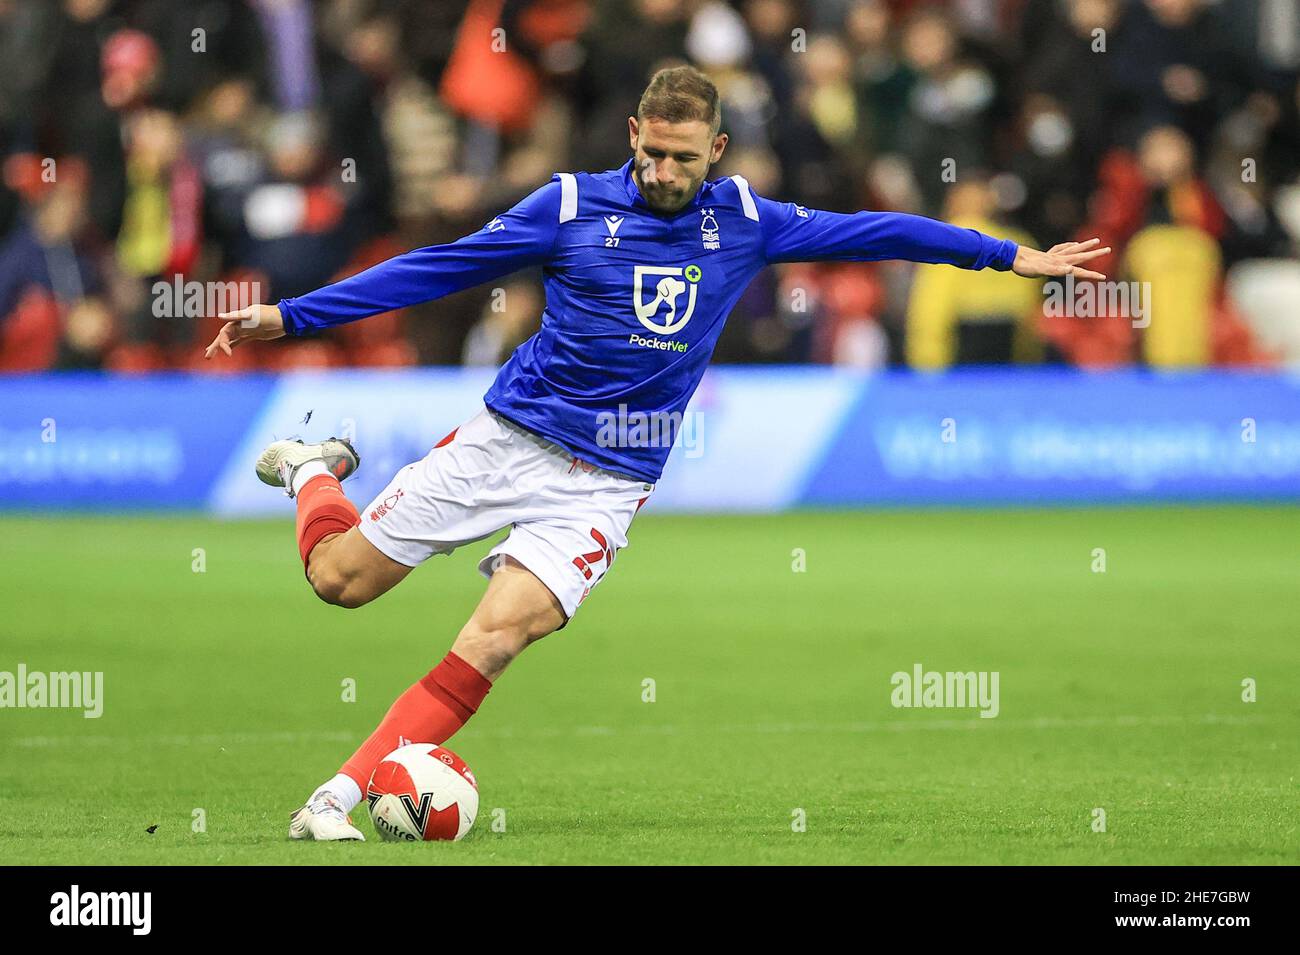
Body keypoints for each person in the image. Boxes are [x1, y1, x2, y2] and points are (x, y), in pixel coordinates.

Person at [203, 65, 1108, 841]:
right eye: (654, 152)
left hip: (606, 484)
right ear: (634, 134)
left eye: (687, 156)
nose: (667, 171)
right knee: (339, 580)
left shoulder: (747, 219)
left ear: (716, 149)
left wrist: (1007, 257)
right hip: (509, 440)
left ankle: (338, 794)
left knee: (497, 635)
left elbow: (879, 229)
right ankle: (311, 466)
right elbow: (439, 265)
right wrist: (293, 314)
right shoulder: (566, 206)